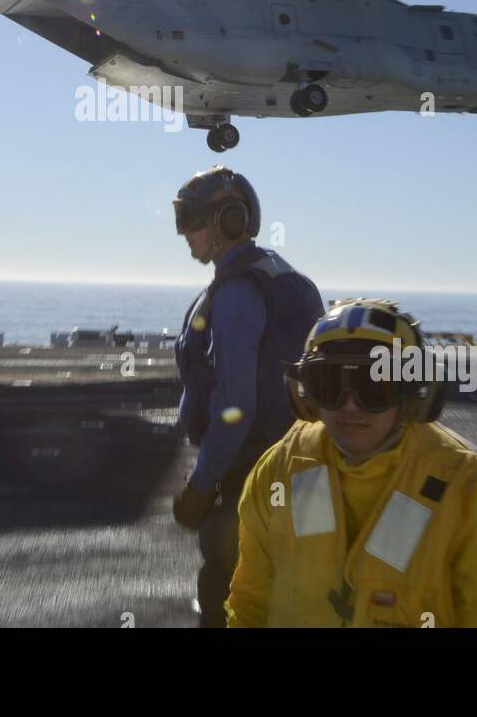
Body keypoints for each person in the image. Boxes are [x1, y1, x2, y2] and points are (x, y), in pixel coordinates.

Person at [227, 298, 477, 627]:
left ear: (414, 392)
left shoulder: (465, 492)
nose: (350, 405)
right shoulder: (281, 468)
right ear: (304, 392)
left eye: (374, 384)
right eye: (330, 383)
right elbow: (249, 601)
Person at [171, 165, 324, 628]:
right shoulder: (286, 278)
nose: (184, 233)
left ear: (229, 222)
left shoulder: (237, 292)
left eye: (192, 220)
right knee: (309, 592)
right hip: (307, 471)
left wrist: (201, 485)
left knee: (232, 593)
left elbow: (237, 408)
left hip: (252, 474)